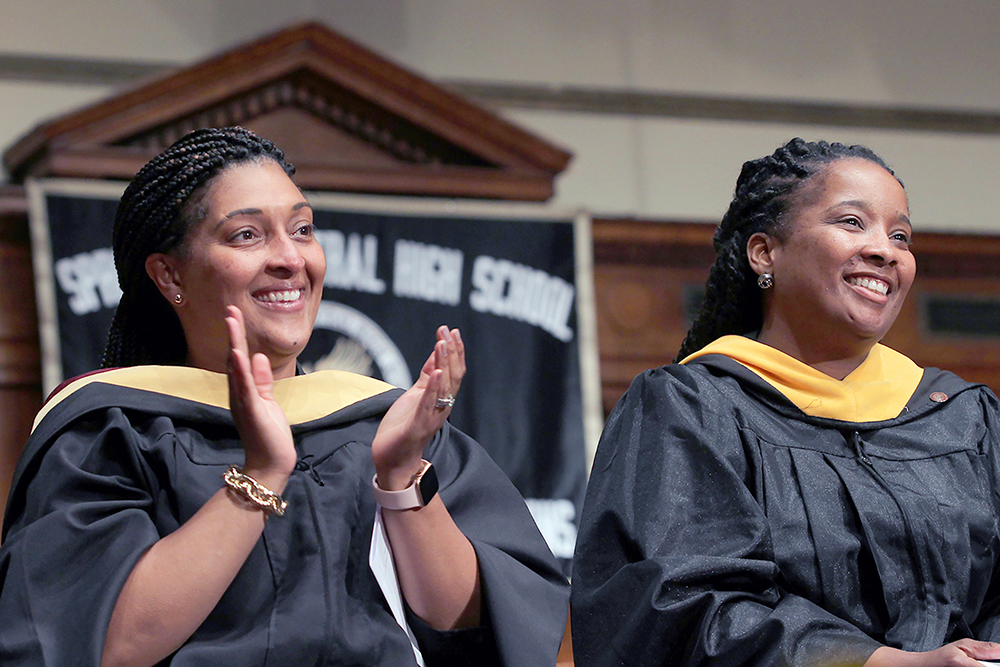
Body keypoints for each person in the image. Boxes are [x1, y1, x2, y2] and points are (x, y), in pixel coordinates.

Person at [0, 127, 568, 667]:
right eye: (247, 235)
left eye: (301, 230)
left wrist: (400, 480)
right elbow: (105, 642)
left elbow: (481, 631)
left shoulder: (386, 426)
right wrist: (262, 475)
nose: (290, 258)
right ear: (169, 274)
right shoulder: (111, 432)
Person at [571, 138, 1000, 667]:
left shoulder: (962, 417)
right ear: (764, 252)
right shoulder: (691, 409)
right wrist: (890, 664)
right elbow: (679, 610)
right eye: (851, 222)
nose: (885, 250)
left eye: (900, 235)